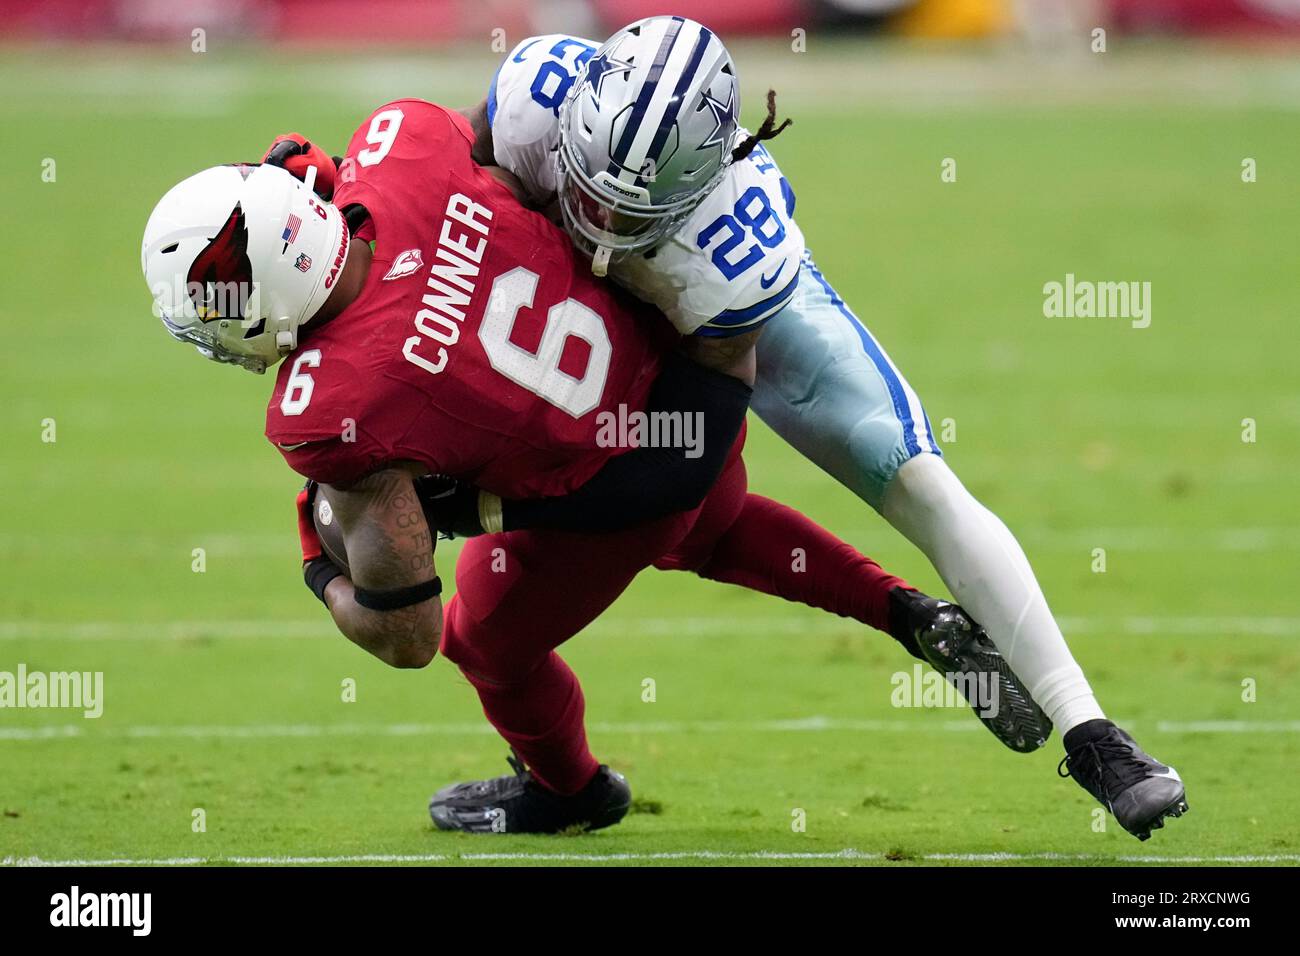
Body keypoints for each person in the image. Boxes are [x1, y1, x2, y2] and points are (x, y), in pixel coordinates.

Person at [142, 98, 1046, 836]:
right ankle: (908, 611)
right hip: (694, 380)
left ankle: (569, 793)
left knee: (482, 639)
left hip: (621, 480)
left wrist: (317, 562)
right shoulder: (406, 135)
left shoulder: (332, 410)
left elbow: (405, 633)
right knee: (714, 524)